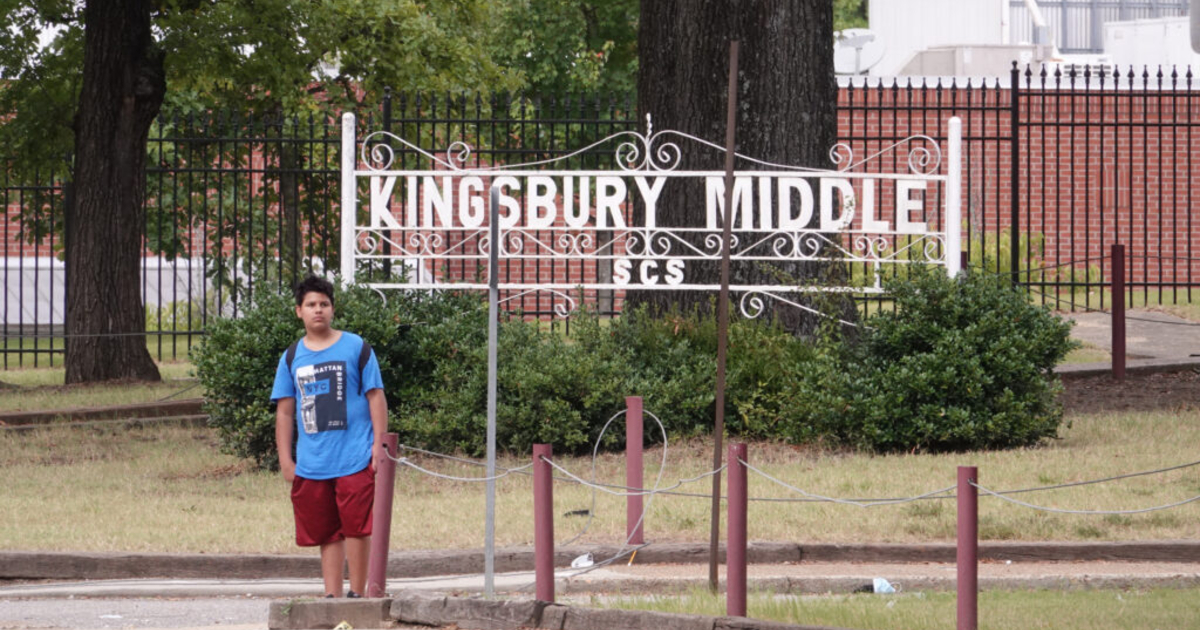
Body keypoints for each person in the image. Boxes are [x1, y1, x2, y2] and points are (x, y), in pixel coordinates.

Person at [271, 275, 388, 598]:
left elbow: (375, 396)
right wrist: (286, 459)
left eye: (324, 304)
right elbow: (284, 411)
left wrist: (378, 446)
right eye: (311, 305)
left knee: (357, 527)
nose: (317, 310)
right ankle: (332, 598)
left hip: (354, 457)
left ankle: (358, 595)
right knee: (327, 533)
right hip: (313, 463)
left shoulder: (356, 347)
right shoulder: (292, 356)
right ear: (299, 311)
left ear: (333, 309)